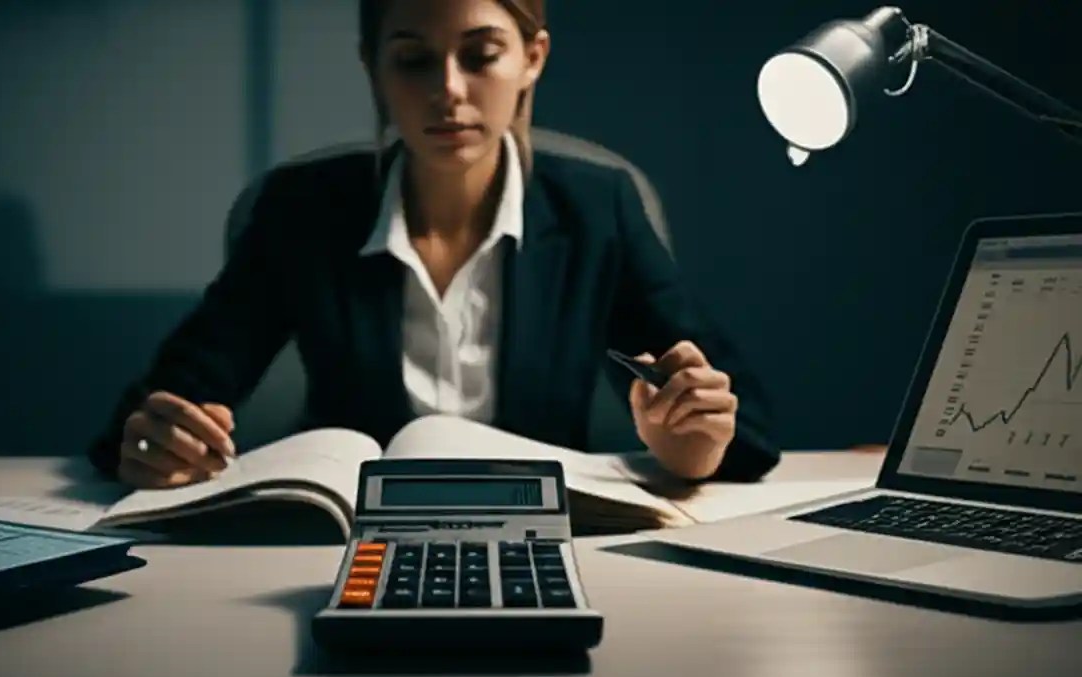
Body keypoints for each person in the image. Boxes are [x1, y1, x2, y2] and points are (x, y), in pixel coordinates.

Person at [88, 0, 781, 489]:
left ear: (532, 59)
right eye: (413, 60)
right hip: (340, 547)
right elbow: (149, 414)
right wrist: (156, 443)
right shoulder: (301, 212)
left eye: (481, 56)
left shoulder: (599, 210)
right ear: (373, 67)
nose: (448, 90)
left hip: (547, 537)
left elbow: (743, 428)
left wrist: (693, 446)